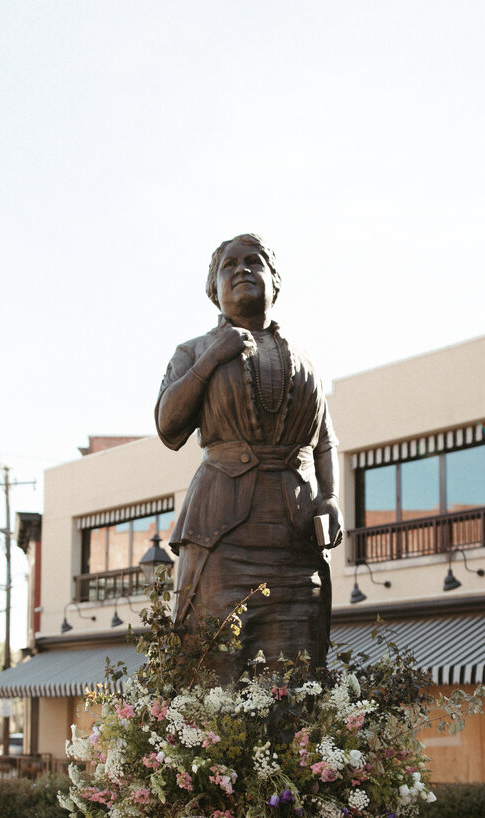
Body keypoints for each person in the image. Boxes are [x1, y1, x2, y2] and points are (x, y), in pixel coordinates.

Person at [155, 233, 343, 683]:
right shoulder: (193, 351)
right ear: (213, 289)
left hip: (295, 537)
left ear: (274, 282)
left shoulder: (305, 360)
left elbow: (324, 440)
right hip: (223, 533)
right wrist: (209, 362)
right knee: (214, 670)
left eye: (254, 261)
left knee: (296, 679)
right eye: (229, 265)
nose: (242, 270)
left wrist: (332, 498)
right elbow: (167, 427)